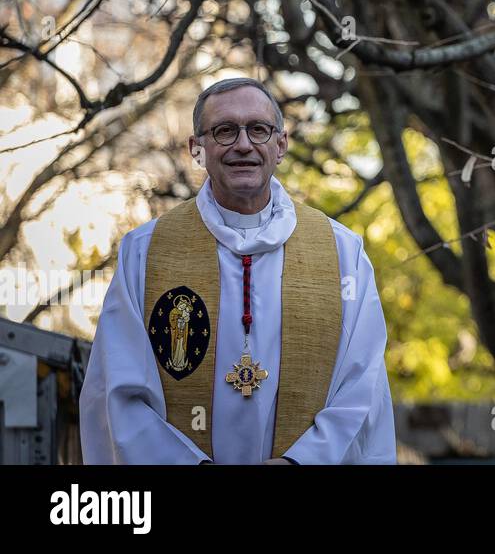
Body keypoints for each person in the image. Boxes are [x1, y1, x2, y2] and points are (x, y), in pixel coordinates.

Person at [80, 77, 396, 464]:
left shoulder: (342, 252)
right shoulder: (146, 252)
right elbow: (119, 386)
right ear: (198, 149)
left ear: (280, 146)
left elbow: (362, 387)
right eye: (224, 131)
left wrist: (300, 461)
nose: (243, 144)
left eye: (258, 130)